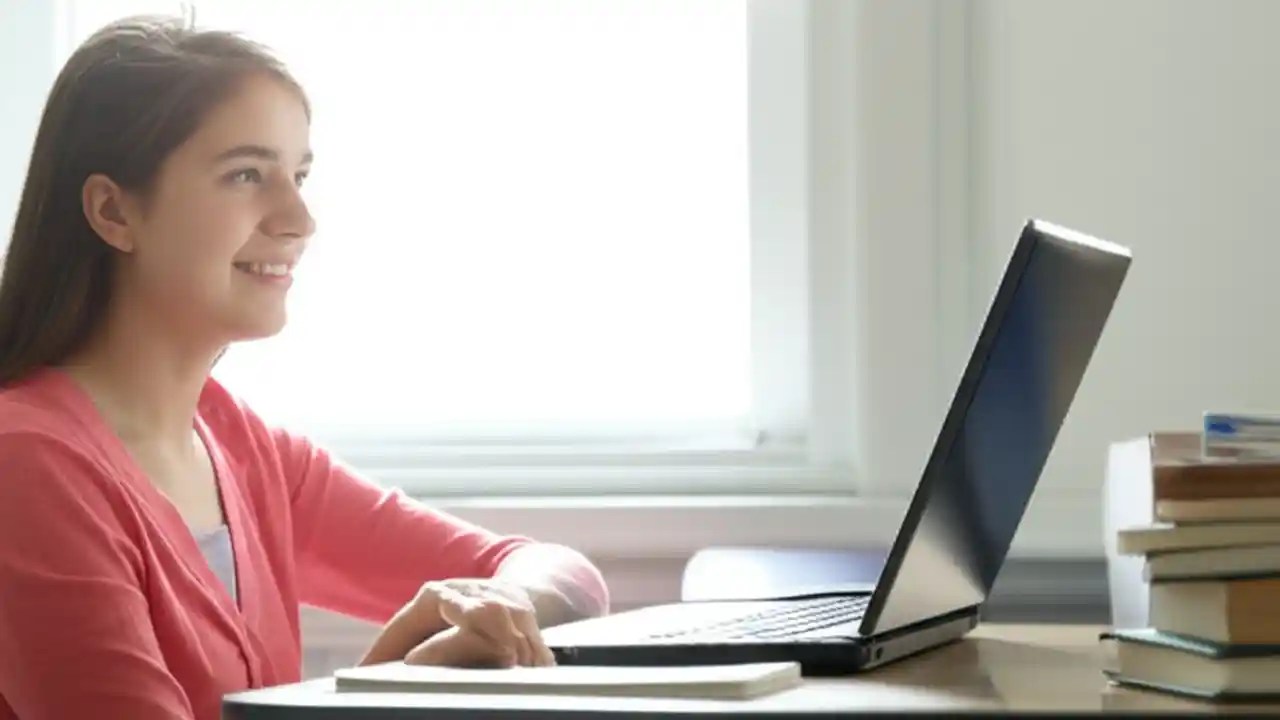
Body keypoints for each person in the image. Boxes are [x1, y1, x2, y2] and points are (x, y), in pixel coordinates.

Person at [0, 13, 609, 720]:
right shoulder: (26, 468)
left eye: (299, 175)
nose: (299, 218)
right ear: (113, 211)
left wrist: (496, 603)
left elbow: (567, 580)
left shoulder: (244, 449)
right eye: (245, 175)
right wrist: (386, 689)